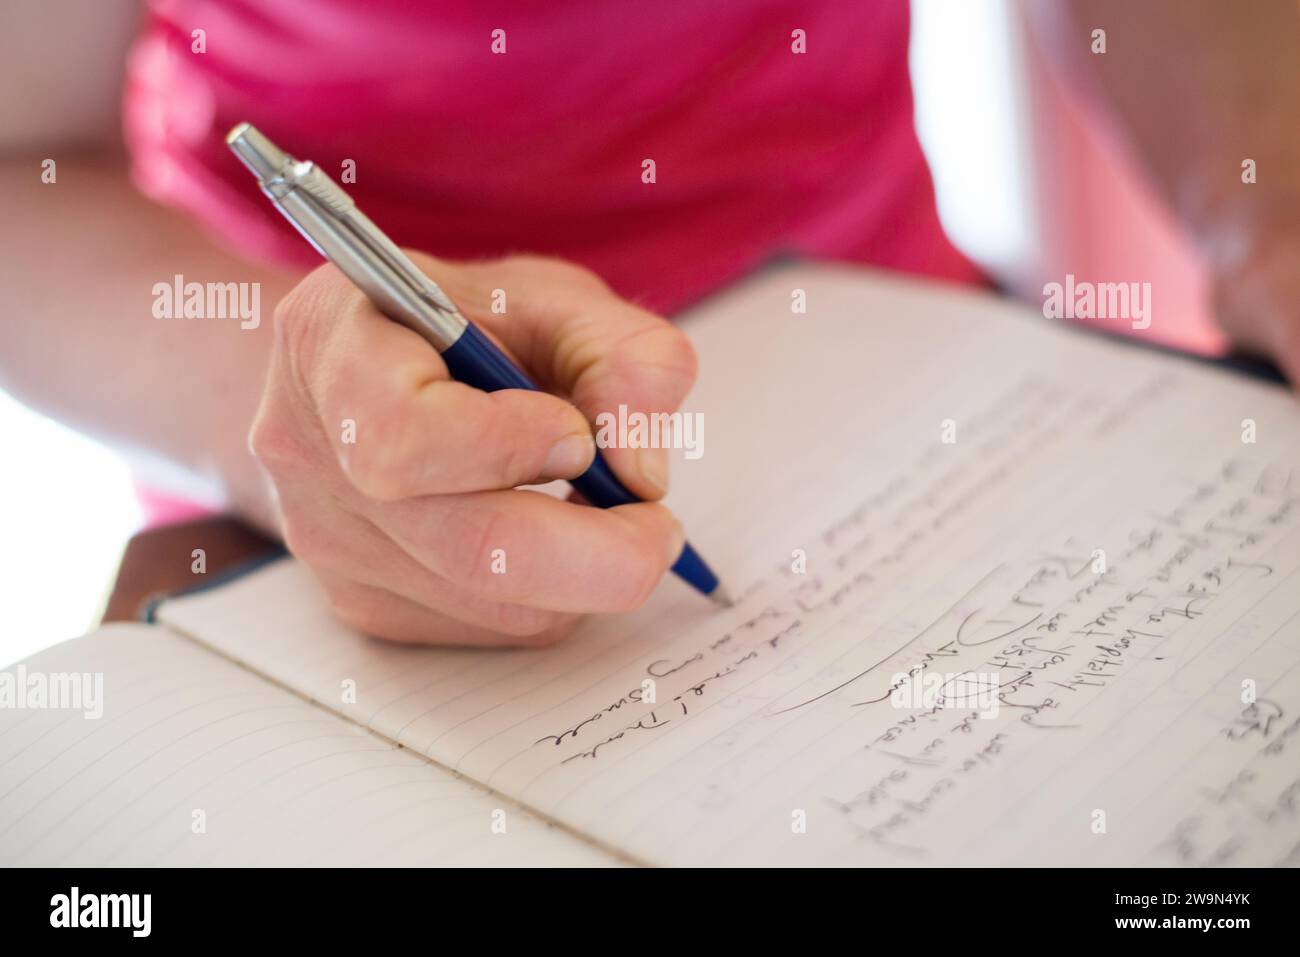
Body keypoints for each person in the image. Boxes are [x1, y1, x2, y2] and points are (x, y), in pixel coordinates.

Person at [2, 0, 1297, 646]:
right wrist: (287, 411)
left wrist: (1273, 208)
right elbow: (22, 164)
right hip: (321, 459)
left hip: (903, 357)